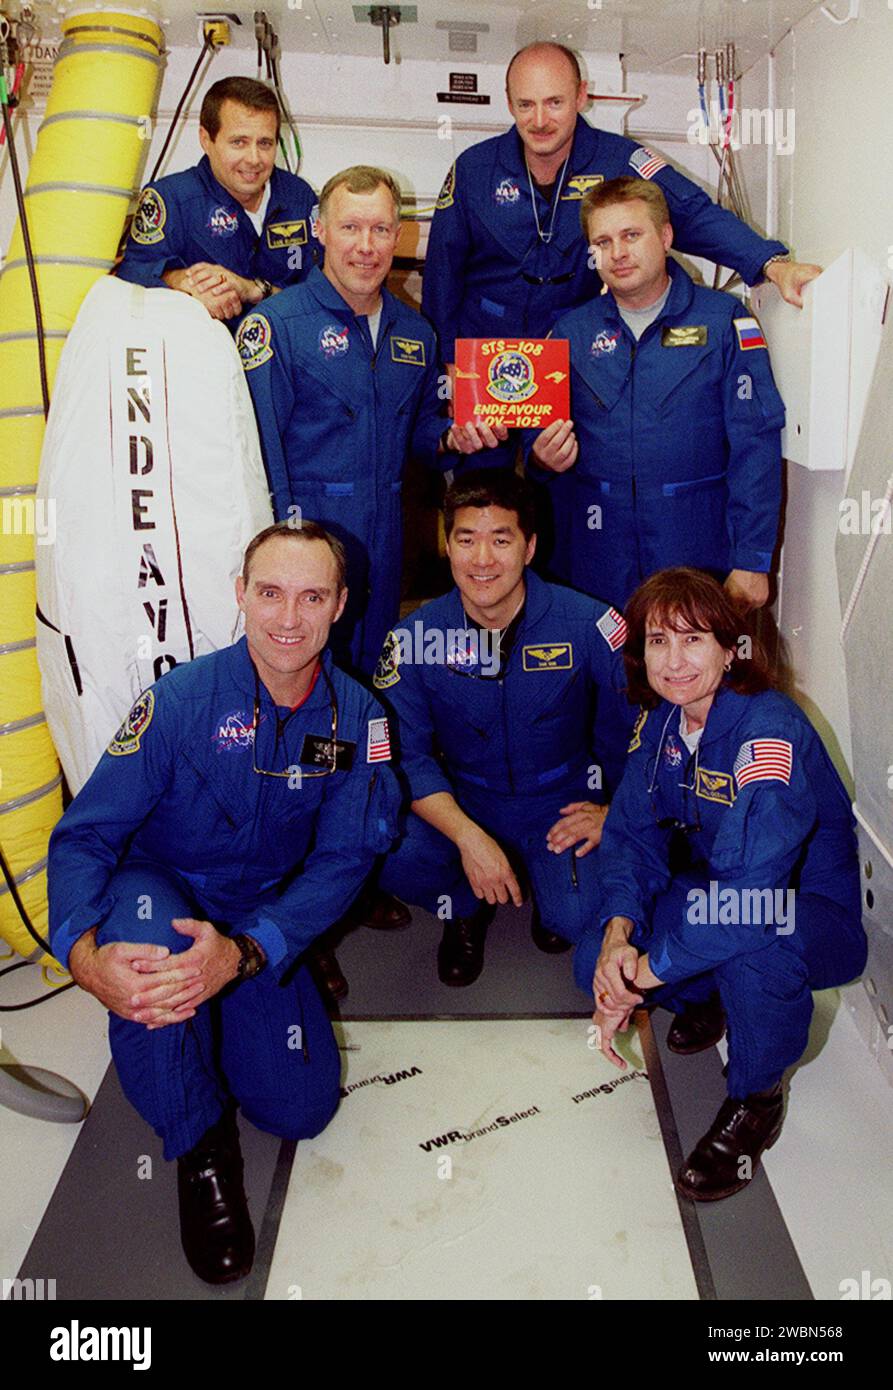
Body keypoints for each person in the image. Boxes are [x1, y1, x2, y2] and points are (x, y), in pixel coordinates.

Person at [47, 521, 400, 1283]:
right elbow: (83, 839)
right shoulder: (177, 703)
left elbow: (345, 859)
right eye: (268, 592)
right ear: (239, 595)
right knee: (155, 959)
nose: (287, 618)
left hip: (258, 914)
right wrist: (81, 954)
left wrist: (248, 953)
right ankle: (199, 1145)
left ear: (340, 605)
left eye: (311, 597)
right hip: (160, 889)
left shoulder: (360, 720)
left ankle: (217, 1015)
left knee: (301, 1110)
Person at [575, 568, 866, 1200]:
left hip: (807, 916)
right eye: (658, 642)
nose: (673, 662)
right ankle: (705, 990)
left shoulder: (767, 731)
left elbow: (752, 897)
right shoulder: (661, 725)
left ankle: (757, 1097)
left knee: (752, 948)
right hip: (721, 890)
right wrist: (618, 938)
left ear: (731, 649)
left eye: (694, 640)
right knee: (590, 960)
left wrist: (645, 975)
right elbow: (629, 836)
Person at [423, 41, 817, 470]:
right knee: (486, 500)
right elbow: (441, 276)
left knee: (563, 488)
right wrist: (448, 372)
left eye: (554, 102)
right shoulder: (474, 170)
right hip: (487, 360)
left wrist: (770, 264)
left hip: (574, 354)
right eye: (526, 104)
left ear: (581, 95)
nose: (539, 120)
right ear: (509, 103)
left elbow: (692, 213)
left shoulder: (620, 159)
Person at [236, 164, 506, 678]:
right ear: (319, 229)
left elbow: (423, 436)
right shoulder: (276, 327)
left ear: (398, 235)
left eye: (381, 229)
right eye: (350, 227)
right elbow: (259, 457)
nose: (367, 246)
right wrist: (278, 558)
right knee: (303, 677)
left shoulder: (416, 333)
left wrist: (453, 437)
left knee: (376, 677)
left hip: (386, 541)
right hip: (304, 536)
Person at [374, 469, 633, 986]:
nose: (483, 560)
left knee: (577, 916)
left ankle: (549, 888)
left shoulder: (590, 625)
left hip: (561, 801)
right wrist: (469, 837)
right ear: (446, 545)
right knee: (386, 845)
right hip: (466, 799)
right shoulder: (414, 640)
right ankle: (466, 908)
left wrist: (614, 811)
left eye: (501, 539)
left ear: (530, 547)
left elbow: (640, 734)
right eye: (466, 539)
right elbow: (405, 757)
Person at [529, 177, 786, 611]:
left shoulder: (723, 323)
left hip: (699, 561)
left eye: (632, 235)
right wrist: (539, 458)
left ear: (665, 237)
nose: (618, 253)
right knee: (606, 678)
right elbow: (535, 446)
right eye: (603, 241)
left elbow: (755, 447)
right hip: (594, 562)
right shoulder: (568, 333)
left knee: (694, 677)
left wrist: (752, 560)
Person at [117, 76, 320, 320]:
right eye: (239, 142)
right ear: (206, 139)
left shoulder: (300, 198)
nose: (254, 158)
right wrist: (181, 282)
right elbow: (130, 276)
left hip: (284, 348)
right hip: (202, 350)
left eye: (265, 143)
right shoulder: (171, 200)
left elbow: (322, 290)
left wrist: (255, 290)